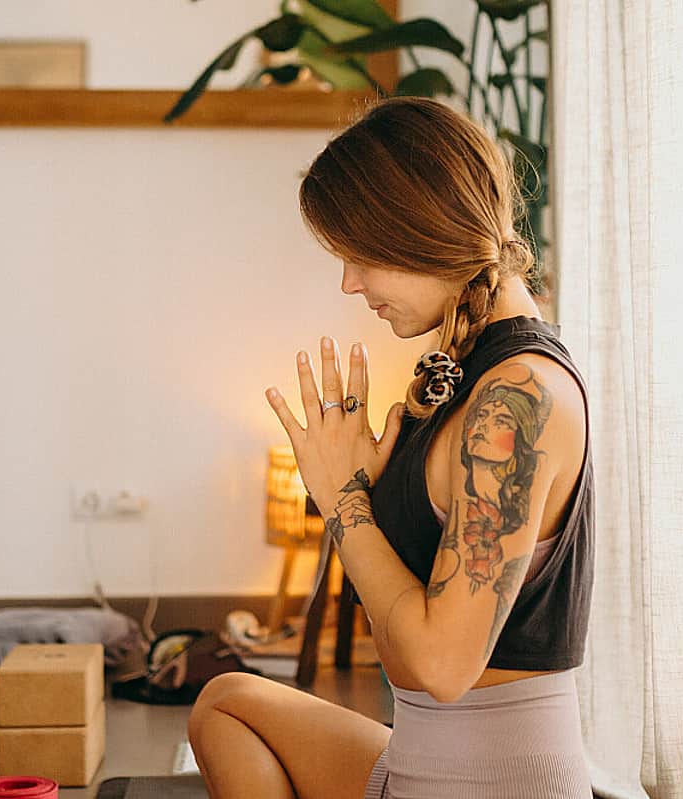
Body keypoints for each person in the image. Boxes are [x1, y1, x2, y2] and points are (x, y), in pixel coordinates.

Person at [187, 97, 594, 799]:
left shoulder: (518, 398)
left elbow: (439, 664)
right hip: (423, 762)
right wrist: (368, 488)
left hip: (492, 784)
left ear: (420, 229)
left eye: (361, 253)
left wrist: (345, 504)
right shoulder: (472, 369)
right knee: (226, 702)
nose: (350, 281)